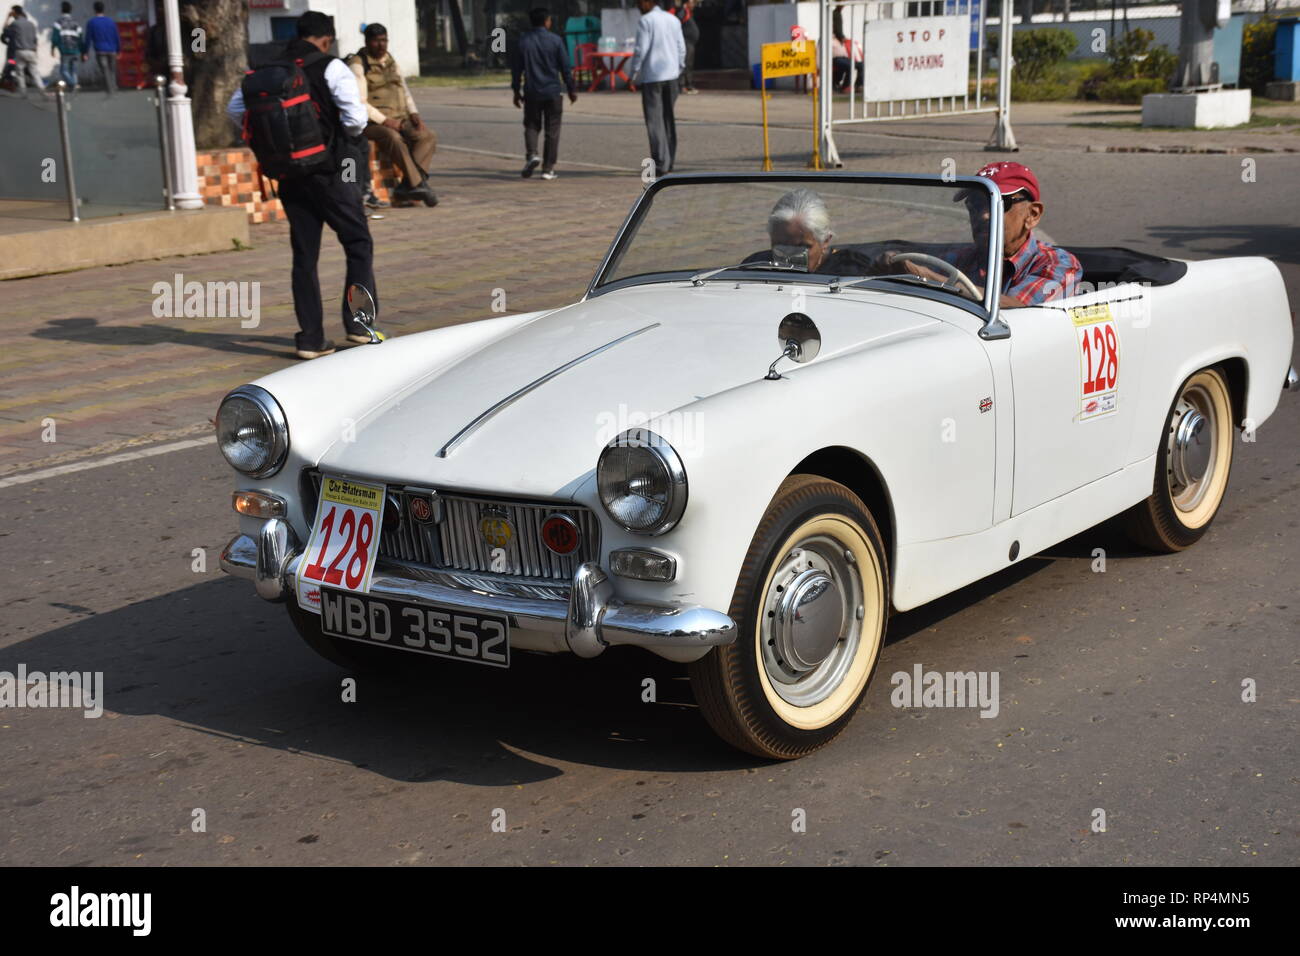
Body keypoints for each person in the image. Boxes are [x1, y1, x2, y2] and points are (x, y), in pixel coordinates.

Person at [228, 11, 377, 360]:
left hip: (288, 174)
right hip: (331, 172)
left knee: (304, 256)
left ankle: (310, 339)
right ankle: (359, 326)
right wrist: (343, 139)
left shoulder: (266, 69)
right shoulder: (332, 66)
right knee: (357, 243)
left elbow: (235, 110)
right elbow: (355, 119)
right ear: (326, 38)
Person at [898, 162, 1082, 306]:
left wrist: (925, 277)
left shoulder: (1058, 264)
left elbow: (1018, 308)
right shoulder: (958, 259)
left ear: (1032, 215)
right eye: (976, 204)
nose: (984, 214)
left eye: (1000, 203)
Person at [346, 23, 437, 207]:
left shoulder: (390, 60)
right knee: (394, 138)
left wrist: (414, 112)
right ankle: (418, 184)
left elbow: (403, 88)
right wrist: (385, 120)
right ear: (367, 41)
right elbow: (359, 103)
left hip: (400, 117)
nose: (381, 45)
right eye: (376, 41)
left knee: (428, 136)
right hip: (373, 123)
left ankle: (406, 186)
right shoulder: (358, 64)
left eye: (384, 40)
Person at [510, 6, 576, 181]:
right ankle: (548, 168)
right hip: (553, 91)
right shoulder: (555, 41)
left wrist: (516, 91)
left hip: (532, 91)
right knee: (552, 129)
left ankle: (532, 154)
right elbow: (565, 68)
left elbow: (516, 69)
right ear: (547, 21)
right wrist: (571, 89)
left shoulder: (523, 41)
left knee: (531, 125)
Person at [628, 0, 685, 179]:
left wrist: (633, 73)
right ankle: (670, 161)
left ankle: (660, 163)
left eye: (639, 3)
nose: (638, 6)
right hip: (672, 76)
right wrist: (679, 68)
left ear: (647, 2)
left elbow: (640, 50)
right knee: (668, 118)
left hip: (653, 78)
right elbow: (681, 48)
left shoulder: (646, 21)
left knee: (654, 121)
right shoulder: (673, 19)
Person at [81, 1, 120, 95]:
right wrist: (118, 49)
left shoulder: (91, 22)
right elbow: (116, 36)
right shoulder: (111, 21)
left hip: (100, 49)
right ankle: (114, 86)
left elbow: (88, 38)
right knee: (112, 69)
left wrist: (85, 52)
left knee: (105, 69)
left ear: (94, 10)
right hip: (112, 49)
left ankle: (110, 89)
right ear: (103, 9)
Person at [1, 6, 42, 95]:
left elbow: (4, 32)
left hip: (15, 54)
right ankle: (41, 89)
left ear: (15, 13)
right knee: (33, 72)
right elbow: (35, 40)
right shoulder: (31, 24)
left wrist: (8, 17)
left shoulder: (15, 25)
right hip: (31, 52)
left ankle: (17, 88)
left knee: (11, 67)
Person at [670, 0, 699, 94]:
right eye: (692, 3)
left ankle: (688, 85)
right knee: (685, 64)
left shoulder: (688, 12)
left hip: (690, 42)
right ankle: (683, 86)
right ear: (687, 3)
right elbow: (677, 23)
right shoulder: (682, 12)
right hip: (686, 42)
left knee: (689, 64)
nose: (694, 5)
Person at [51, 2, 81, 90]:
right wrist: (82, 50)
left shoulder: (58, 22)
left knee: (63, 70)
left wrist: (53, 48)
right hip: (75, 49)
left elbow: (55, 37)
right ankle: (74, 86)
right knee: (73, 69)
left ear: (61, 10)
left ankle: (73, 84)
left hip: (64, 49)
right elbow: (80, 37)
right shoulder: (76, 22)